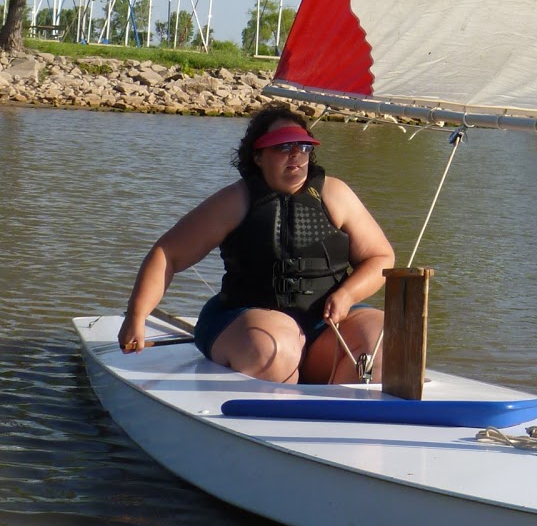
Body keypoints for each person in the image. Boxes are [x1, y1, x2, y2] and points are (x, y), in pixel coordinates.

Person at [119, 104, 395, 384]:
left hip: (325, 326)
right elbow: (167, 254)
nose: (296, 154)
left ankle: (342, 412)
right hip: (243, 323)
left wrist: (347, 295)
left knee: (386, 338)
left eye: (303, 146)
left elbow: (380, 257)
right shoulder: (234, 201)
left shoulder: (336, 194)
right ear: (258, 156)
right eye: (283, 146)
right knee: (275, 347)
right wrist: (136, 316)